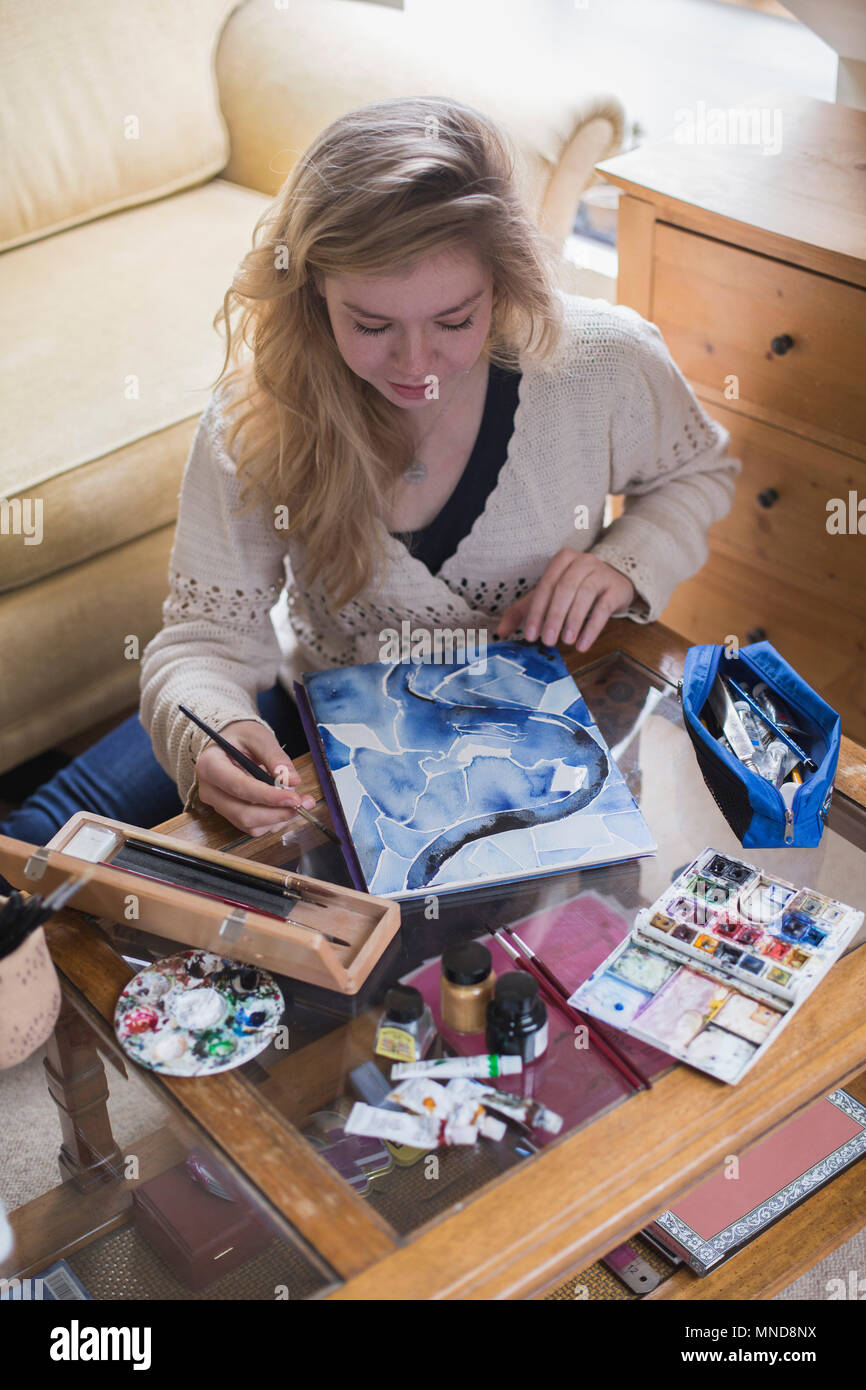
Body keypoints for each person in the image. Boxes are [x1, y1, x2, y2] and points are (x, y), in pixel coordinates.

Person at [0, 96, 739, 864]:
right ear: (313, 293)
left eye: (455, 321)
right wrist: (213, 728)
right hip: (316, 710)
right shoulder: (260, 419)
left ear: (505, 280)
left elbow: (699, 472)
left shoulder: (600, 364)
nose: (415, 366)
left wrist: (623, 563)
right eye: (372, 326)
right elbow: (204, 639)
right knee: (38, 838)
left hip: (543, 741)